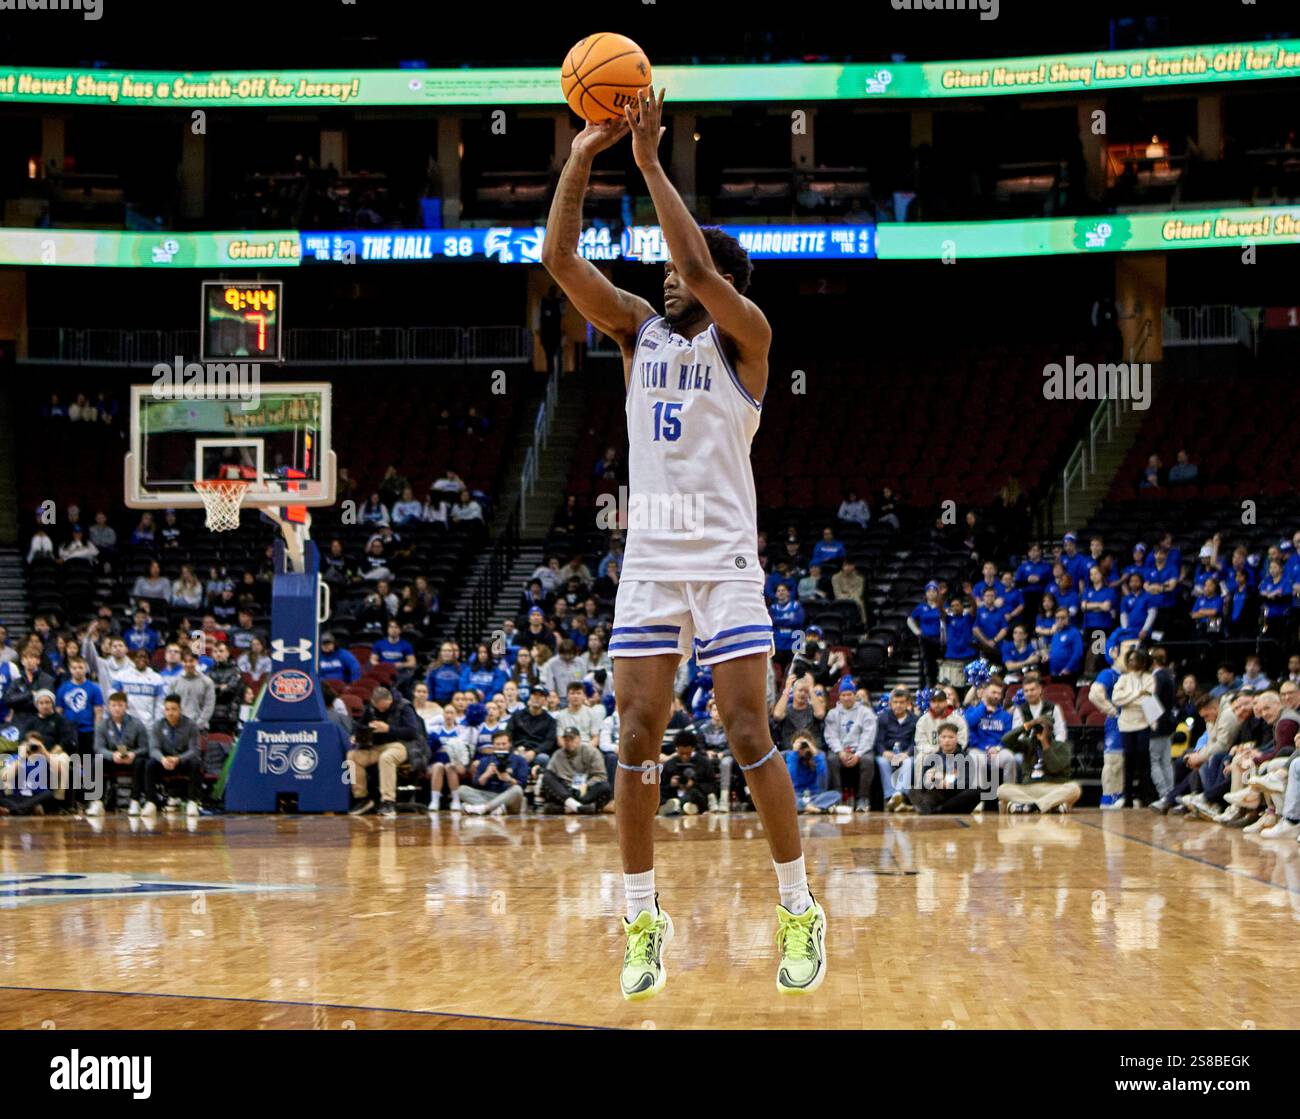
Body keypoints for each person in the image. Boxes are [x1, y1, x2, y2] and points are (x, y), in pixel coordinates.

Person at [542, 93, 824, 1000]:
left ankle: (797, 906)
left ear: (726, 287)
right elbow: (558, 259)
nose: (668, 276)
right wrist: (587, 152)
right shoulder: (636, 331)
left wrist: (654, 162)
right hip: (654, 560)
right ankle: (640, 919)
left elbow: (699, 263)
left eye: (681, 270)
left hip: (727, 559)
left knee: (748, 729)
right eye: (661, 268)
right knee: (633, 734)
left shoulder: (749, 340)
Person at [346, 685, 427, 818]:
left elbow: (412, 732)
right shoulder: (371, 708)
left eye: (383, 707)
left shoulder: (404, 706)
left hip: (401, 745)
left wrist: (389, 729)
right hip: (376, 746)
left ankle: (388, 801)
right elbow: (359, 725)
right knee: (352, 756)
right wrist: (357, 735)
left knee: (386, 757)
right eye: (377, 706)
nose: (380, 709)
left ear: (390, 700)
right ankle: (362, 798)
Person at [89, 691, 148, 815]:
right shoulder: (102, 725)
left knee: (142, 762)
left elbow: (145, 747)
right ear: (109, 707)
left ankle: (135, 801)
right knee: (97, 761)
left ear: (126, 706)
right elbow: (98, 747)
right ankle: (97, 802)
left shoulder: (137, 724)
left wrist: (133, 754)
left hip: (131, 760)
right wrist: (112, 755)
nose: (117, 709)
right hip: (113, 760)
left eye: (120, 705)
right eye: (114, 705)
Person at [1113, 648, 1159, 807]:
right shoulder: (1123, 678)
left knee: (1143, 761)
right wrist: (1137, 694)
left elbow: (1148, 700)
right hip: (1126, 724)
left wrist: (1129, 698)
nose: (1132, 663)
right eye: (1130, 660)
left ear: (1142, 661)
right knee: (1129, 761)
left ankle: (1146, 796)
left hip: (1144, 723)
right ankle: (1127, 798)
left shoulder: (1149, 678)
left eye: (1135, 660)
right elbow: (1116, 700)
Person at [146, 695, 202, 819]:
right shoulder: (157, 725)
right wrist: (162, 759)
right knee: (149, 763)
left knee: (195, 763)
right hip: (165, 762)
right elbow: (153, 748)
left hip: (182, 762)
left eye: (173, 709)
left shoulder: (191, 725)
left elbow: (194, 750)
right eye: (167, 709)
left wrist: (178, 759)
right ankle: (151, 801)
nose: (170, 713)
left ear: (180, 709)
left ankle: (192, 801)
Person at [822, 678, 875, 811]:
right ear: (839, 696)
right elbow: (830, 735)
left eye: (849, 694)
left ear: (855, 695)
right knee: (831, 759)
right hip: (841, 750)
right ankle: (837, 796)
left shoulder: (866, 712)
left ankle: (863, 798)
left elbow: (868, 735)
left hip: (859, 750)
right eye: (843, 695)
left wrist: (858, 754)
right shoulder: (833, 714)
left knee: (868, 761)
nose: (846, 698)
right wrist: (840, 752)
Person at [461, 730, 529, 815]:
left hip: (509, 796)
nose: (501, 747)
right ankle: (494, 809)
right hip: (489, 795)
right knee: (461, 789)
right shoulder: (485, 760)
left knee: (517, 790)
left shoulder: (520, 760)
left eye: (504, 744)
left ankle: (484, 808)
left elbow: (523, 785)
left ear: (510, 744)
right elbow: (476, 784)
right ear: (493, 745)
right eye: (497, 744)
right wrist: (486, 775)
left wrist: (509, 779)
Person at [876, 685, 918, 811]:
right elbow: (878, 741)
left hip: (905, 753)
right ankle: (890, 797)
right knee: (881, 761)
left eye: (901, 702)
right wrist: (884, 752)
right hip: (888, 753)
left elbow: (915, 742)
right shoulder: (883, 717)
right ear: (890, 703)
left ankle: (899, 794)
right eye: (895, 702)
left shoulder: (915, 720)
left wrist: (907, 753)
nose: (898, 705)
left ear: (908, 703)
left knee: (909, 761)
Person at [785, 733, 840, 814]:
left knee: (836, 795)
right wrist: (795, 754)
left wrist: (815, 755)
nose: (803, 747)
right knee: (787, 798)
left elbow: (823, 783)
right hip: (797, 795)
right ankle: (817, 809)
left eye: (805, 744)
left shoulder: (819, 756)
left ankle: (805, 808)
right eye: (800, 744)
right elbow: (790, 779)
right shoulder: (791, 757)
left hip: (815, 796)